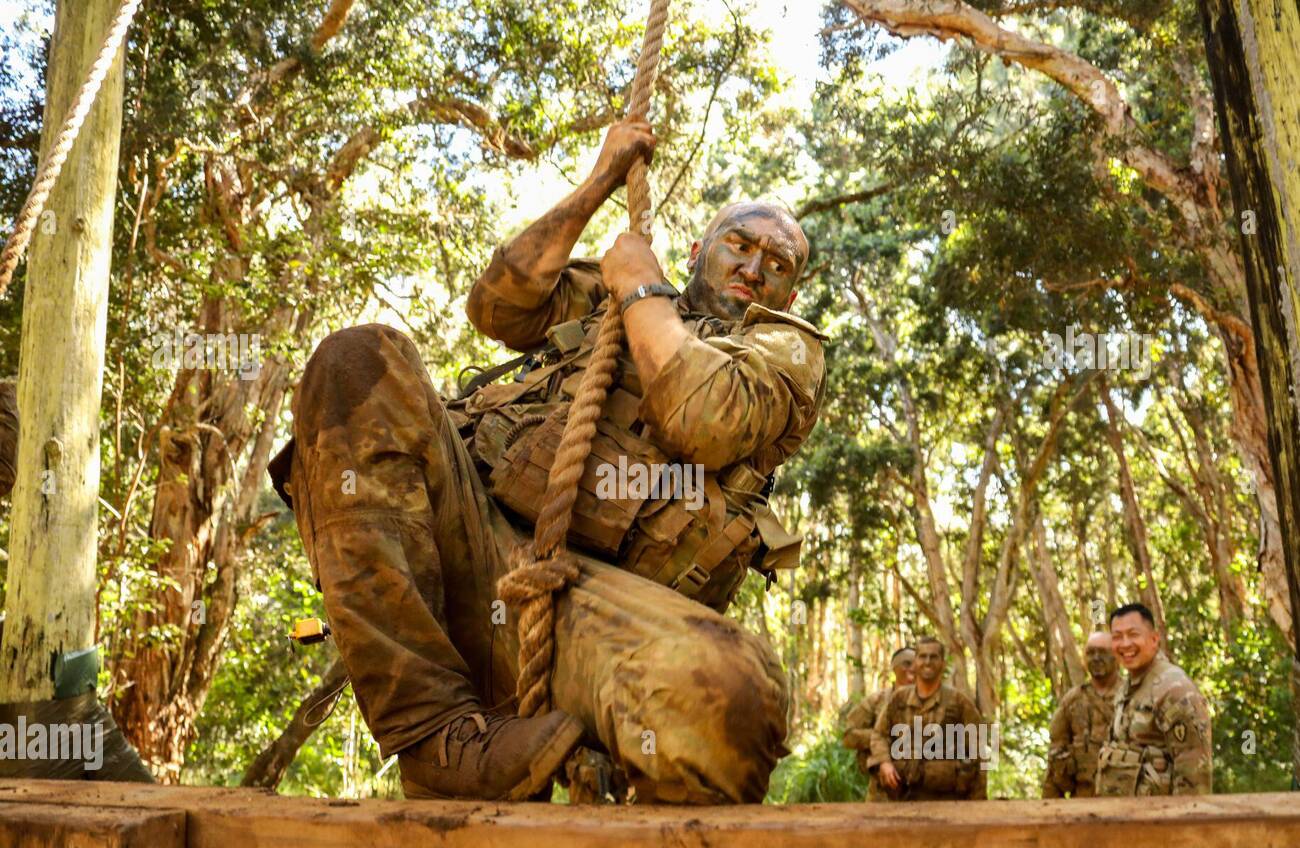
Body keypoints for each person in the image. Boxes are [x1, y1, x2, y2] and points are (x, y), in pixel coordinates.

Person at [269, 119, 827, 804]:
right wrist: (599, 183)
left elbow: (703, 420)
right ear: (697, 249)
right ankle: (440, 738)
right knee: (357, 359)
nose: (752, 267)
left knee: (733, 692)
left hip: (582, 615)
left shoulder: (785, 352)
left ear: (790, 295)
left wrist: (641, 290)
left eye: (777, 265)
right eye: (739, 245)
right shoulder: (609, 295)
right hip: (466, 540)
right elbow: (497, 303)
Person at [1095, 603, 1213, 797]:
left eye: (1133, 634)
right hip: (1125, 818)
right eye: (1117, 637)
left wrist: (1185, 824)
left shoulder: (1174, 689)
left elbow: (1194, 773)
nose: (1125, 644)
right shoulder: (1128, 686)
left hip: (1159, 820)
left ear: (1154, 639)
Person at [869, 636, 988, 801]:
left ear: (943, 663)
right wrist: (884, 762)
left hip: (946, 798)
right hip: (903, 796)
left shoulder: (958, 702)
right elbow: (879, 735)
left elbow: (979, 749)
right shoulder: (899, 699)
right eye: (922, 656)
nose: (927, 662)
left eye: (933, 657)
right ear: (915, 663)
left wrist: (978, 801)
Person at [1042, 631, 1119, 798]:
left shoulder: (1132, 697)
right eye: (1090, 653)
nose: (1096, 658)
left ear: (1116, 655)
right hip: (1083, 801)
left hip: (1127, 802)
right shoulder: (1073, 700)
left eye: (1103, 652)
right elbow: (1056, 757)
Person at [842, 645, 915, 800]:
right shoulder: (876, 701)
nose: (913, 668)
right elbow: (849, 736)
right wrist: (882, 738)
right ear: (895, 669)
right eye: (907, 664)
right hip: (882, 792)